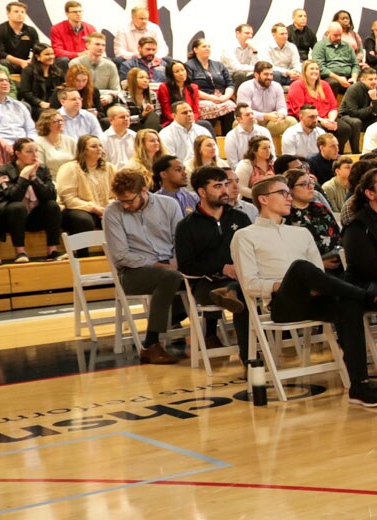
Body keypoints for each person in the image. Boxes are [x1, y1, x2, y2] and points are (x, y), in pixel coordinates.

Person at [236, 175, 377, 408]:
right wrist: (283, 283)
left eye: (289, 192)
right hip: (282, 303)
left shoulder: (301, 233)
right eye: (283, 193)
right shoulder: (245, 235)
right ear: (263, 199)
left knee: (349, 305)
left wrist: (315, 284)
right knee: (299, 267)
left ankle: (359, 385)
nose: (289, 197)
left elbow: (319, 275)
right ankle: (368, 297)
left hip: (313, 298)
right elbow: (250, 284)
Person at [105, 167, 187, 364]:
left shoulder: (168, 204)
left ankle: (209, 332)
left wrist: (176, 261)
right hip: (133, 271)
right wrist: (158, 265)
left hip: (170, 264)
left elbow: (181, 239)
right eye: (121, 200)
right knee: (170, 277)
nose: (125, 205)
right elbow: (121, 255)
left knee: (204, 270)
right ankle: (151, 343)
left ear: (143, 190)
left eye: (129, 200)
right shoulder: (112, 212)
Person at [174, 166, 252, 364]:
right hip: (206, 283)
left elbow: (253, 250)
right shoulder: (186, 226)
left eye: (226, 184)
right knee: (243, 295)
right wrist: (221, 266)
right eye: (218, 186)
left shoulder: (240, 217)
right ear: (202, 191)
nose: (225, 190)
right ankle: (249, 356)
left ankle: (269, 343)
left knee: (245, 291)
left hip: (243, 277)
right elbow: (186, 266)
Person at [0, 137, 64, 261]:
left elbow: (50, 195)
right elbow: (13, 197)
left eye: (36, 151)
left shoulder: (42, 169)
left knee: (52, 205)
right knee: (17, 207)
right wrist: (24, 177)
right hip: (12, 219)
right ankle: (20, 252)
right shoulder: (3, 170)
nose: (34, 155)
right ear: (17, 153)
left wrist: (34, 178)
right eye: (29, 151)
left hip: (34, 217)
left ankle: (52, 251)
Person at [57, 134, 112, 236]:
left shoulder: (109, 168)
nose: (99, 149)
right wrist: (94, 208)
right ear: (84, 150)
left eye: (100, 146)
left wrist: (108, 209)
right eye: (94, 146)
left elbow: (115, 195)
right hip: (76, 209)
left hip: (103, 209)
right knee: (83, 220)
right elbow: (68, 199)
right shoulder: (70, 168)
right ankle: (82, 252)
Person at [33, 110, 75, 180]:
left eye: (62, 120)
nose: (61, 123)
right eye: (57, 121)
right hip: (51, 181)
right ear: (46, 124)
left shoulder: (70, 141)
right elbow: (41, 169)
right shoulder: (38, 143)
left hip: (72, 179)